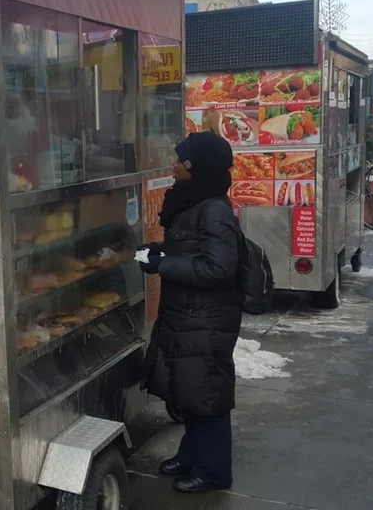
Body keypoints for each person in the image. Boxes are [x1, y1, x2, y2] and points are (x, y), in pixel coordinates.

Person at [139, 131, 242, 494]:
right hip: (187, 314)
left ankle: (214, 471)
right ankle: (192, 454)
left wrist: (163, 265)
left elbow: (219, 268)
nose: (174, 164)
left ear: (195, 166)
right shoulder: (192, 201)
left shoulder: (213, 210)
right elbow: (187, 250)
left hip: (208, 318)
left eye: (180, 159)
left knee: (207, 394)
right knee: (190, 391)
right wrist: (156, 251)